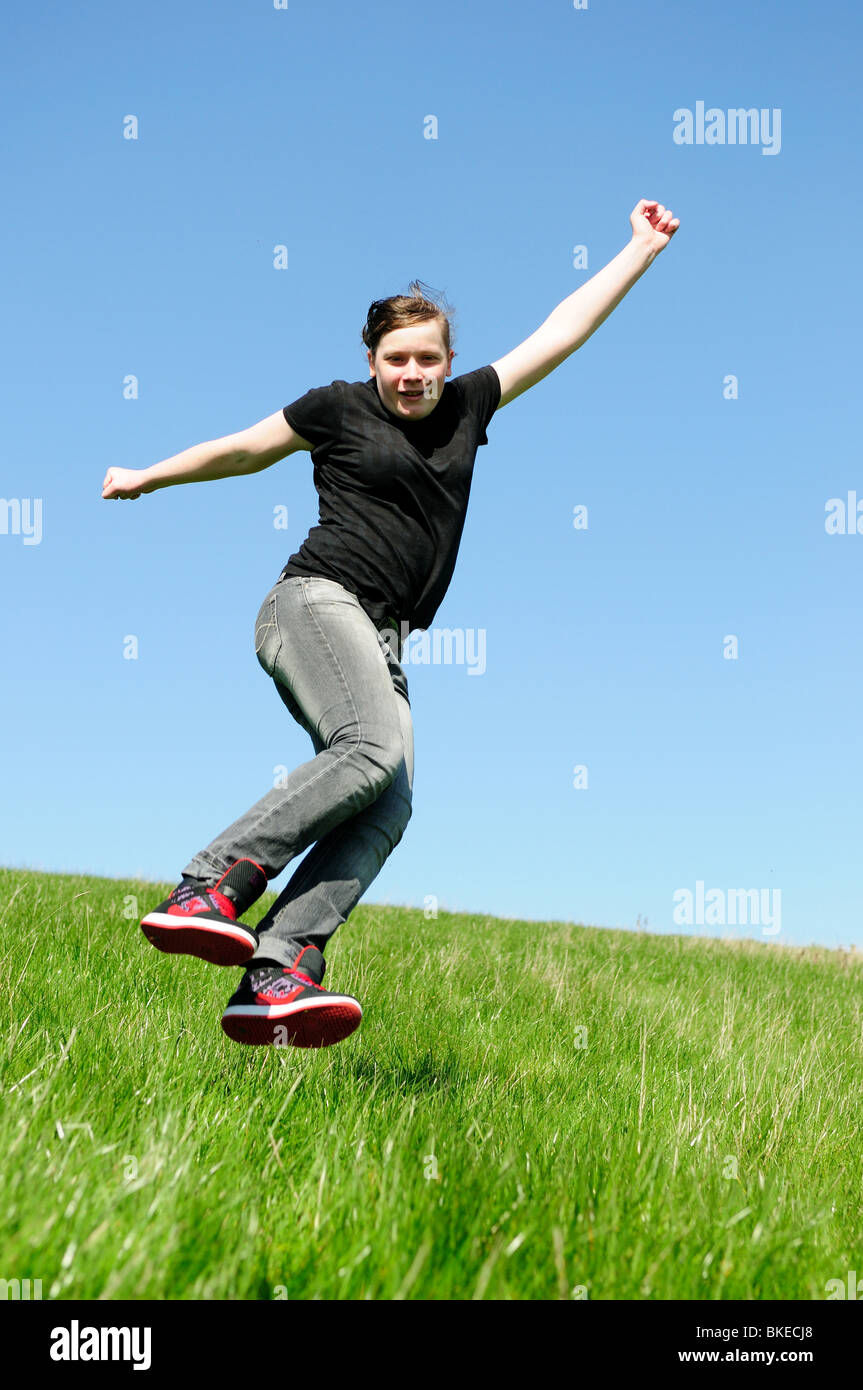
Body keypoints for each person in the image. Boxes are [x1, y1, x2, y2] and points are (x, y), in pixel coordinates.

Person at [102, 198, 680, 1050]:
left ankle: (278, 969)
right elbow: (240, 450)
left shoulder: (470, 406)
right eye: (397, 359)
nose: (413, 374)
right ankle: (208, 883)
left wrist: (637, 251)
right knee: (369, 752)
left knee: (389, 803)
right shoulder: (334, 409)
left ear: (449, 362)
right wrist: (148, 476)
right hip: (312, 601)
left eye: (428, 360)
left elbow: (561, 332)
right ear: (371, 360)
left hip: (385, 637)